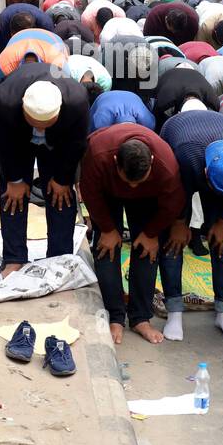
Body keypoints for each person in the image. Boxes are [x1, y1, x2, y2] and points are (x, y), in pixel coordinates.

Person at [80, 124, 184, 345]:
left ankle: (140, 318)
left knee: (147, 249)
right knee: (106, 247)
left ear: (152, 163)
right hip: (107, 192)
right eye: (128, 181)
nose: (133, 187)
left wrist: (152, 232)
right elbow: (90, 192)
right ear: (115, 160)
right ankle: (114, 316)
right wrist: (107, 228)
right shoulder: (98, 154)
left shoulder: (166, 165)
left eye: (139, 180)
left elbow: (172, 203)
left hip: (149, 198)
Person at [157, 109, 223, 342]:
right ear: (205, 173)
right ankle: (174, 311)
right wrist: (180, 223)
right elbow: (177, 191)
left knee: (222, 243)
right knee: (173, 242)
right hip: (178, 136)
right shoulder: (185, 154)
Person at [0, 63, 89, 283]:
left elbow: (76, 143)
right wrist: (15, 179)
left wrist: (62, 178)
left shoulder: (77, 100)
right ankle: (14, 259)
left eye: (45, 124)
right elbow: (2, 144)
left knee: (62, 195)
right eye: (36, 124)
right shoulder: (4, 100)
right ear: (23, 109)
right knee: (12, 196)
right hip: (16, 140)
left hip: (58, 143)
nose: (40, 129)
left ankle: (60, 258)